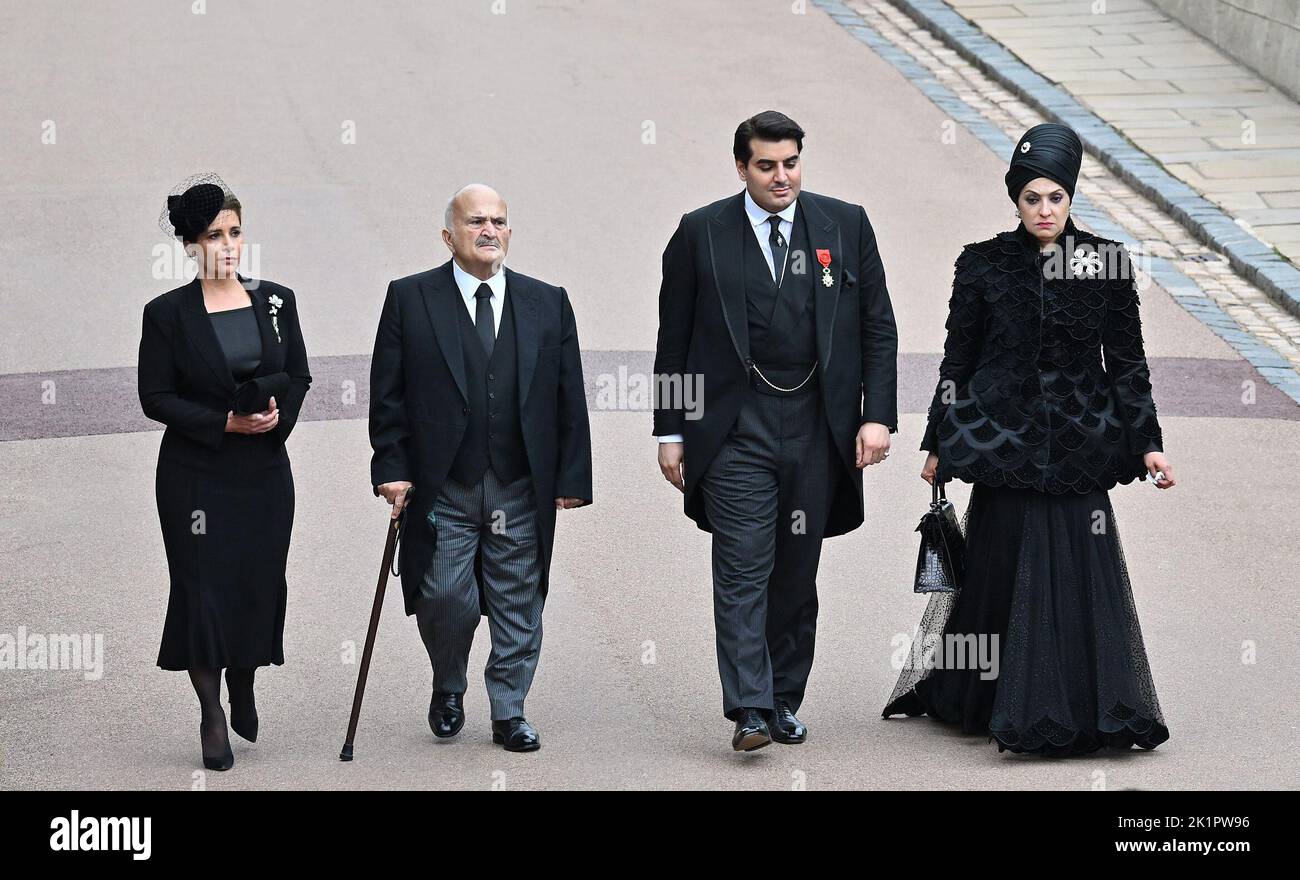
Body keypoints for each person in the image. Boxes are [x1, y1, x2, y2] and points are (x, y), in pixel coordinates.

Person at [882, 123, 1174, 755]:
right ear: (1015, 200)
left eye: (1056, 198)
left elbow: (1127, 363)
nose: (1044, 210)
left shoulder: (1106, 263)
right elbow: (957, 362)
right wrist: (938, 442)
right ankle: (987, 697)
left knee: (1078, 574)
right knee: (1000, 570)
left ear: (1072, 199)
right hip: (1000, 443)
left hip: (1081, 445)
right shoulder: (982, 263)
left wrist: (1148, 442)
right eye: (1032, 198)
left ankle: (1077, 706)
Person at [652, 111, 899, 751]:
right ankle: (750, 709)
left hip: (818, 427)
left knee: (795, 570)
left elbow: (879, 326)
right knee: (741, 567)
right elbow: (673, 339)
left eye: (791, 162)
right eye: (766, 165)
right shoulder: (701, 232)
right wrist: (669, 431)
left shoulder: (843, 224)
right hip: (734, 430)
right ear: (742, 168)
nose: (781, 176)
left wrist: (877, 416)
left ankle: (785, 698)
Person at [368, 184, 593, 753]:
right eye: (475, 221)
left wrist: (571, 478)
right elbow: (387, 396)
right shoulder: (410, 299)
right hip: (443, 483)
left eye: (498, 221)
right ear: (450, 235)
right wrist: (390, 467)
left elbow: (569, 397)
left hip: (521, 483)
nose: (489, 230)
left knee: (520, 597)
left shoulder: (548, 302)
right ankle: (449, 682)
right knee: (444, 595)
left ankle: (509, 709)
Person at [139, 173, 312, 770]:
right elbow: (155, 397)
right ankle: (212, 713)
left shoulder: (276, 299)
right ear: (191, 244)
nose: (228, 245)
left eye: (236, 232)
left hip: (264, 475)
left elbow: (299, 375)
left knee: (254, 583)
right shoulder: (167, 314)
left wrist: (272, 422)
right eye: (215, 235)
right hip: (195, 476)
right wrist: (222, 424)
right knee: (202, 589)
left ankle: (244, 678)